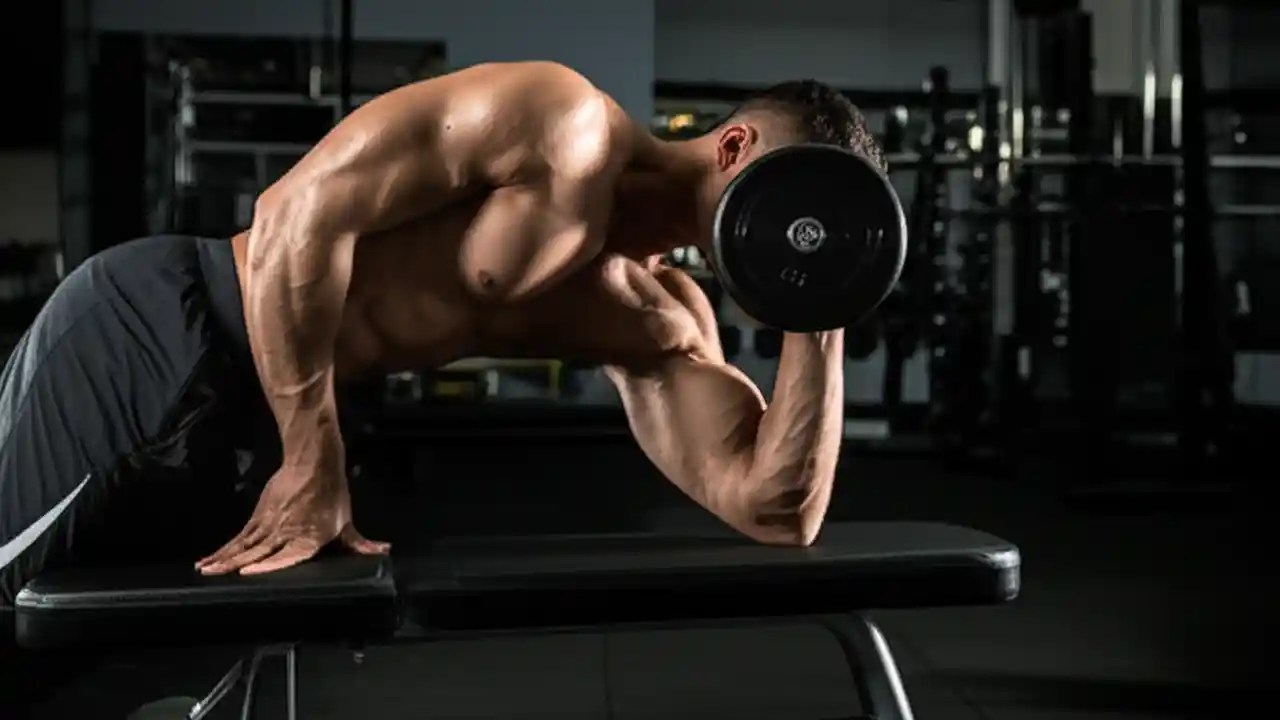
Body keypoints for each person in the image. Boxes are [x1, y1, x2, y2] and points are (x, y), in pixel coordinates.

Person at [1, 61, 886, 613]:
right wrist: (316, 460)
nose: (795, 238)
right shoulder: (558, 122)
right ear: (732, 147)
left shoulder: (658, 316)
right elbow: (291, 218)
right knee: (11, 599)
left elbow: (776, 510)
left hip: (250, 420)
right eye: (796, 207)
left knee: (90, 649)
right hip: (166, 322)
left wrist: (823, 304)